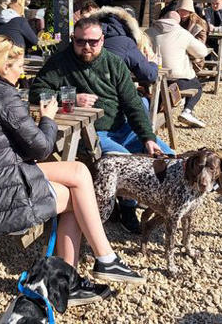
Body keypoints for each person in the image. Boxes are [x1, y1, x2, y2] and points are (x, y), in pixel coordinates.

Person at [0, 35, 144, 306]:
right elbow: (40, 148)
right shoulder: (4, 94)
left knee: (78, 173)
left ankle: (104, 260)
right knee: (77, 198)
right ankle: (72, 281)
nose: (22, 71)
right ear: (4, 66)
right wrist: (48, 118)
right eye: (18, 65)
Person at [30, 17, 174, 234]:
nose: (87, 47)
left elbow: (133, 103)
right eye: (80, 42)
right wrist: (70, 98)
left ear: (102, 40)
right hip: (91, 133)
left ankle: (162, 208)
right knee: (126, 164)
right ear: (73, 39)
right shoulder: (60, 62)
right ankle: (127, 210)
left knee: (169, 158)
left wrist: (148, 138)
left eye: (93, 42)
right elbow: (36, 91)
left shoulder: (113, 63)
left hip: (122, 128)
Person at [147, 7, 209, 128]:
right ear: (178, 22)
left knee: (162, 93)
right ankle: (187, 111)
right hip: (178, 79)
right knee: (197, 87)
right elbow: (202, 52)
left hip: (153, 78)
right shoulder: (182, 33)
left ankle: (161, 109)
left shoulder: (149, 32)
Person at [82, 4, 158, 84]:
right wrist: (153, 63)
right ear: (132, 24)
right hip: (108, 91)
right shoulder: (126, 42)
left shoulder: (86, 34)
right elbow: (149, 75)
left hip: (82, 88)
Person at [166, 0, 208, 73]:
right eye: (180, 10)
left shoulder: (199, 24)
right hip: (176, 54)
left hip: (193, 58)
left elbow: (199, 44)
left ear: (190, 10)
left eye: (185, 10)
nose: (182, 12)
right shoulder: (174, 20)